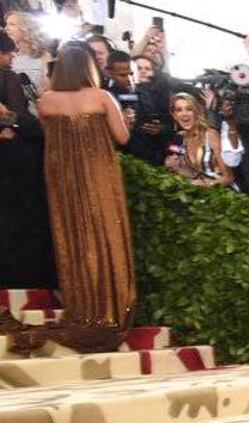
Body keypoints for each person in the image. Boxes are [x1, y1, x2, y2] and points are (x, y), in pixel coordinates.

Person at [29, 41, 134, 352]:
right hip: (98, 175)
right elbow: (122, 137)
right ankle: (110, 306)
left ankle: (83, 305)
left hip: (63, 181)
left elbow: (49, 134)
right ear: (88, 67)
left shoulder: (47, 100)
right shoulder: (101, 97)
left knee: (74, 237)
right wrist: (126, 119)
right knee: (104, 233)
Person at [0, 29, 54, 290]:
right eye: (8, 52)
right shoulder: (8, 77)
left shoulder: (11, 76)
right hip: (15, 168)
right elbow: (22, 119)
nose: (13, 56)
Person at [164, 91, 232, 189]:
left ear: (197, 111)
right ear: (174, 116)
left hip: (222, 195)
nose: (184, 114)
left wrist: (207, 185)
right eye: (179, 110)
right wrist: (176, 168)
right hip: (197, 196)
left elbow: (228, 178)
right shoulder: (180, 138)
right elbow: (194, 174)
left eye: (189, 109)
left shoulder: (211, 135)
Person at [3, 11, 49, 94]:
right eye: (6, 24)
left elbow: (48, 87)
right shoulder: (6, 57)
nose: (6, 28)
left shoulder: (44, 55)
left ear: (26, 28)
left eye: (12, 24)